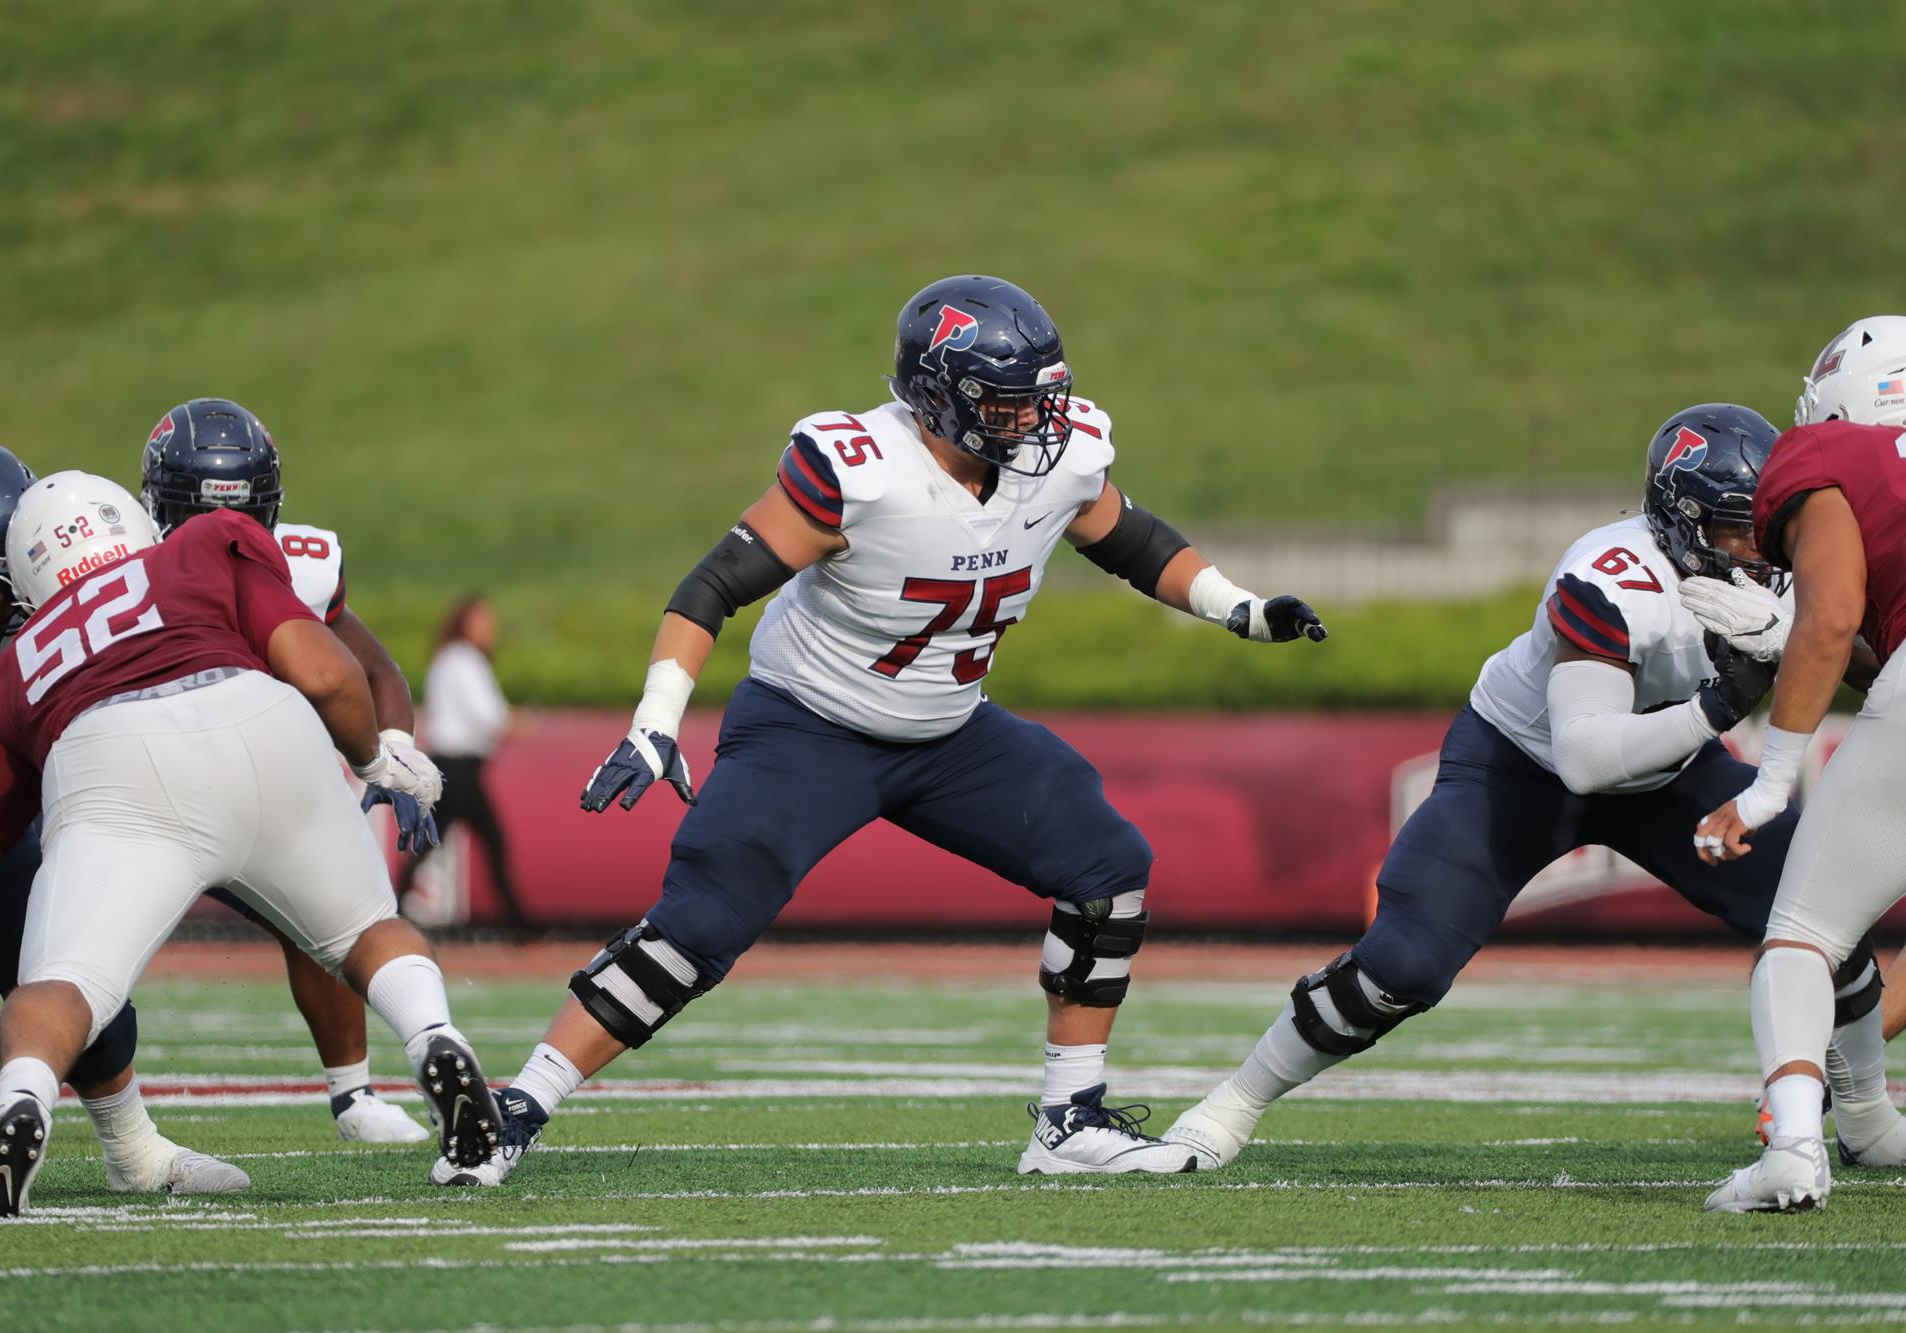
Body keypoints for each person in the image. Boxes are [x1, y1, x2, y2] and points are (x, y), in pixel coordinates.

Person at [432, 273, 1329, 1188]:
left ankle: (1069, 1120)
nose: (1034, 421)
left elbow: (1130, 537)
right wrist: (657, 721)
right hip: (808, 728)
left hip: (949, 733)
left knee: (1108, 869)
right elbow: (711, 588)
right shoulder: (856, 469)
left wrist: (1240, 609)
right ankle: (514, 1110)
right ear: (939, 396)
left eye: (1038, 399)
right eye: (1008, 403)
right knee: (699, 925)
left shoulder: (1056, 457)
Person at [1162, 403, 1906, 1173]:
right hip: (1523, 761)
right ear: (1681, 522)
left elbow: (1867, 664)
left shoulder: (1791, 560)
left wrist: (1808, 641)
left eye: (1769, 523)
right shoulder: (1611, 576)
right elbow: (1586, 757)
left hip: (1670, 769)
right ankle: (1232, 1104)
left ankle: (1863, 1116)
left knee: (1825, 915)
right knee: (1403, 964)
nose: (1762, 548)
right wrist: (1720, 704)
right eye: (1736, 529)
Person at [0, 472, 499, 1218]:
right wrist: (374, 760)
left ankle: (23, 1100)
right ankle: (433, 1035)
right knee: (365, 930)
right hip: (252, 719)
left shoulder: (14, 669)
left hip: (106, 760)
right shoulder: (203, 542)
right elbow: (326, 672)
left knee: (61, 985)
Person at [0, 440, 243, 1196]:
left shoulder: (42, 612)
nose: (1, 614)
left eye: (11, 592)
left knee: (59, 953)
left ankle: (133, 1146)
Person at [139, 397, 434, 1144]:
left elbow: (374, 671)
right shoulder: (118, 564)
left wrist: (393, 747)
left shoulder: (301, 566)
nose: (220, 536)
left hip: (248, 779)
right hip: (149, 771)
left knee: (328, 926)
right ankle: (427, 1043)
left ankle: (355, 1092)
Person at [1700, 317, 1906, 1213]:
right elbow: (1877, 650)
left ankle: (1792, 1147)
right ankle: (1866, 1121)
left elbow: (1832, 616)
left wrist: (1770, 780)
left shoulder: (1823, 452)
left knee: (1799, 939)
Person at [396, 595, 528, 925]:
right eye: (482, 620)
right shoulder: (465, 660)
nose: (489, 629)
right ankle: (518, 923)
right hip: (458, 766)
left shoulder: (448, 658)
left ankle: (392, 909)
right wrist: (511, 723)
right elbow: (487, 714)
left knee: (434, 841)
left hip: (452, 766)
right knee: (487, 840)